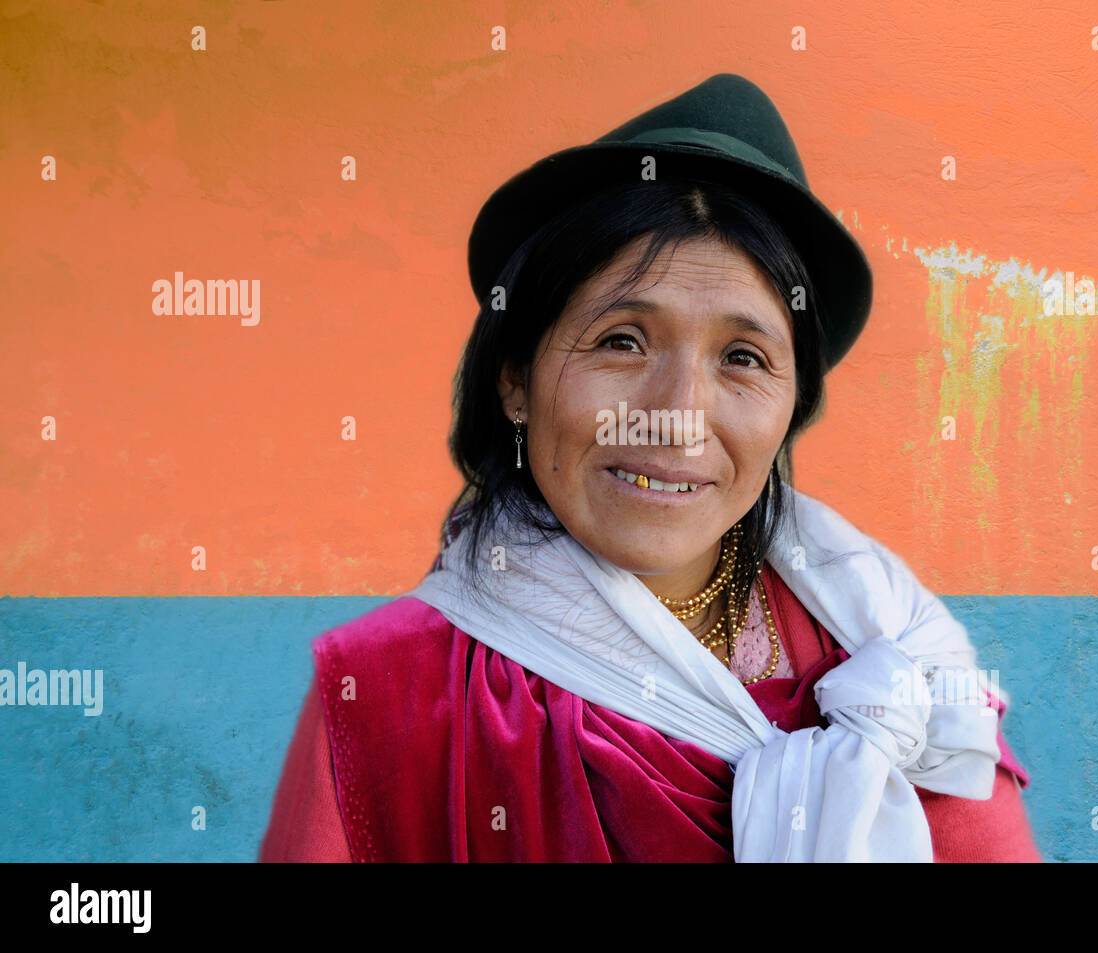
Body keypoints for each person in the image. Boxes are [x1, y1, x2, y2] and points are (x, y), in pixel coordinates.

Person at [260, 73, 1041, 862]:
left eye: (743, 357)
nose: (678, 413)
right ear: (514, 380)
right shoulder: (384, 696)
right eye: (621, 341)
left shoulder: (897, 668)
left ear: (788, 407)